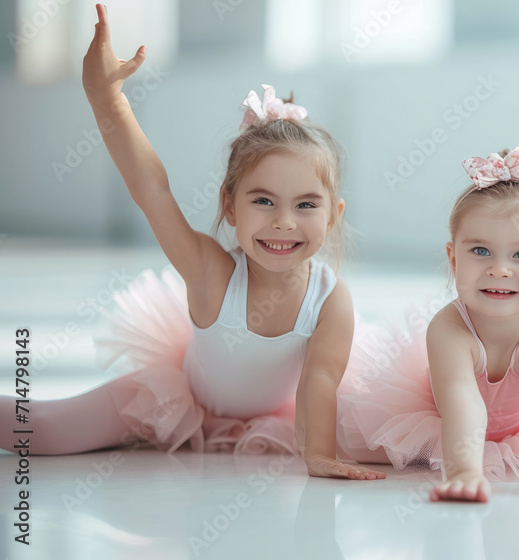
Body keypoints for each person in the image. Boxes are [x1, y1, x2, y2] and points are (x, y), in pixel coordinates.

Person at [0, 4, 384, 481]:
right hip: (180, 398)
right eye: (263, 201)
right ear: (229, 206)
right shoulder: (212, 272)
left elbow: (321, 379)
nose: (284, 223)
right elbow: (153, 191)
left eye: (306, 206)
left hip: (283, 417)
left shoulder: (330, 298)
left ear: (332, 218)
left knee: (385, 442)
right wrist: (107, 99)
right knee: (41, 431)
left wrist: (319, 456)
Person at [338, 147, 519, 501]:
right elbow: (460, 397)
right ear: (453, 259)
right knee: (357, 446)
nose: (499, 269)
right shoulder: (449, 328)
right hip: (445, 424)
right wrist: (465, 472)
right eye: (480, 251)